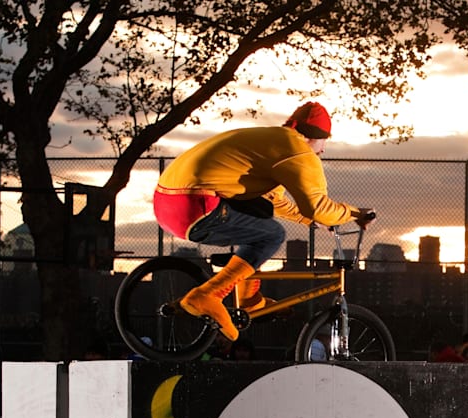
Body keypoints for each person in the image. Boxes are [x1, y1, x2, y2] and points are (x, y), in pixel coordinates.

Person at [153, 101, 374, 341]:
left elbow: (274, 202)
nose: (323, 150)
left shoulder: (271, 141)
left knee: (260, 215)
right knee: (271, 234)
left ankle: (248, 299)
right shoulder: (298, 151)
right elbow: (317, 206)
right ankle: (207, 295)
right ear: (315, 137)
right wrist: (355, 214)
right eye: (325, 141)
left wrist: (308, 221)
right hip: (196, 206)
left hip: (168, 204)